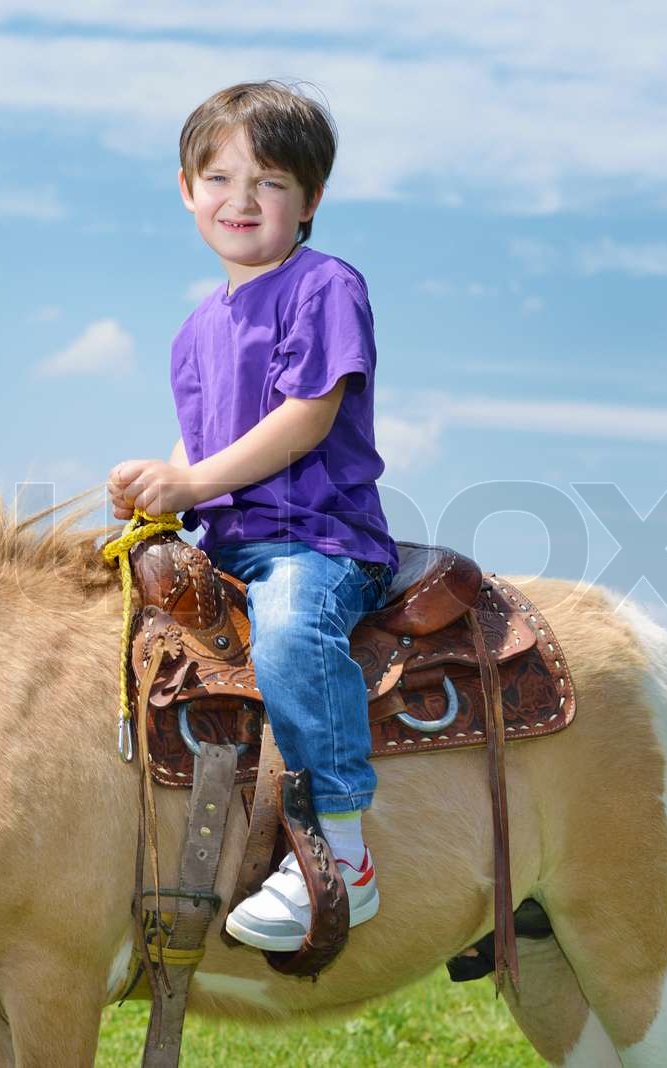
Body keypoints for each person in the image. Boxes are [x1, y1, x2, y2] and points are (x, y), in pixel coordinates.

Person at [107, 80, 402, 952]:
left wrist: (191, 487)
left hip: (319, 538)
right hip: (231, 543)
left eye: (270, 182)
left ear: (310, 200)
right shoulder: (196, 328)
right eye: (220, 178)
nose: (241, 200)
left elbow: (305, 416)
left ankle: (341, 851)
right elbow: (203, 444)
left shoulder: (325, 286)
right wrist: (158, 483)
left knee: (288, 640)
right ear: (187, 189)